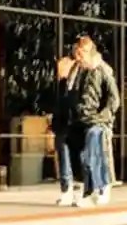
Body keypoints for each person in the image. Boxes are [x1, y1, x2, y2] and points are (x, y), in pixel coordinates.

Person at [73, 35, 120, 206]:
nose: (78, 59)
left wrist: (102, 119)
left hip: (98, 123)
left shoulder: (103, 71)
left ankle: (102, 187)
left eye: (80, 55)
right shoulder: (83, 73)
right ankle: (89, 191)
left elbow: (114, 100)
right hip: (85, 121)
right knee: (84, 157)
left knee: (96, 154)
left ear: (89, 52)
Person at [50, 53, 84, 207]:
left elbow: (71, 101)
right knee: (63, 158)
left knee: (76, 159)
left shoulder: (77, 79)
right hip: (62, 125)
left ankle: (79, 190)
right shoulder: (61, 83)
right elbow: (57, 104)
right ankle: (66, 191)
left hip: (73, 123)